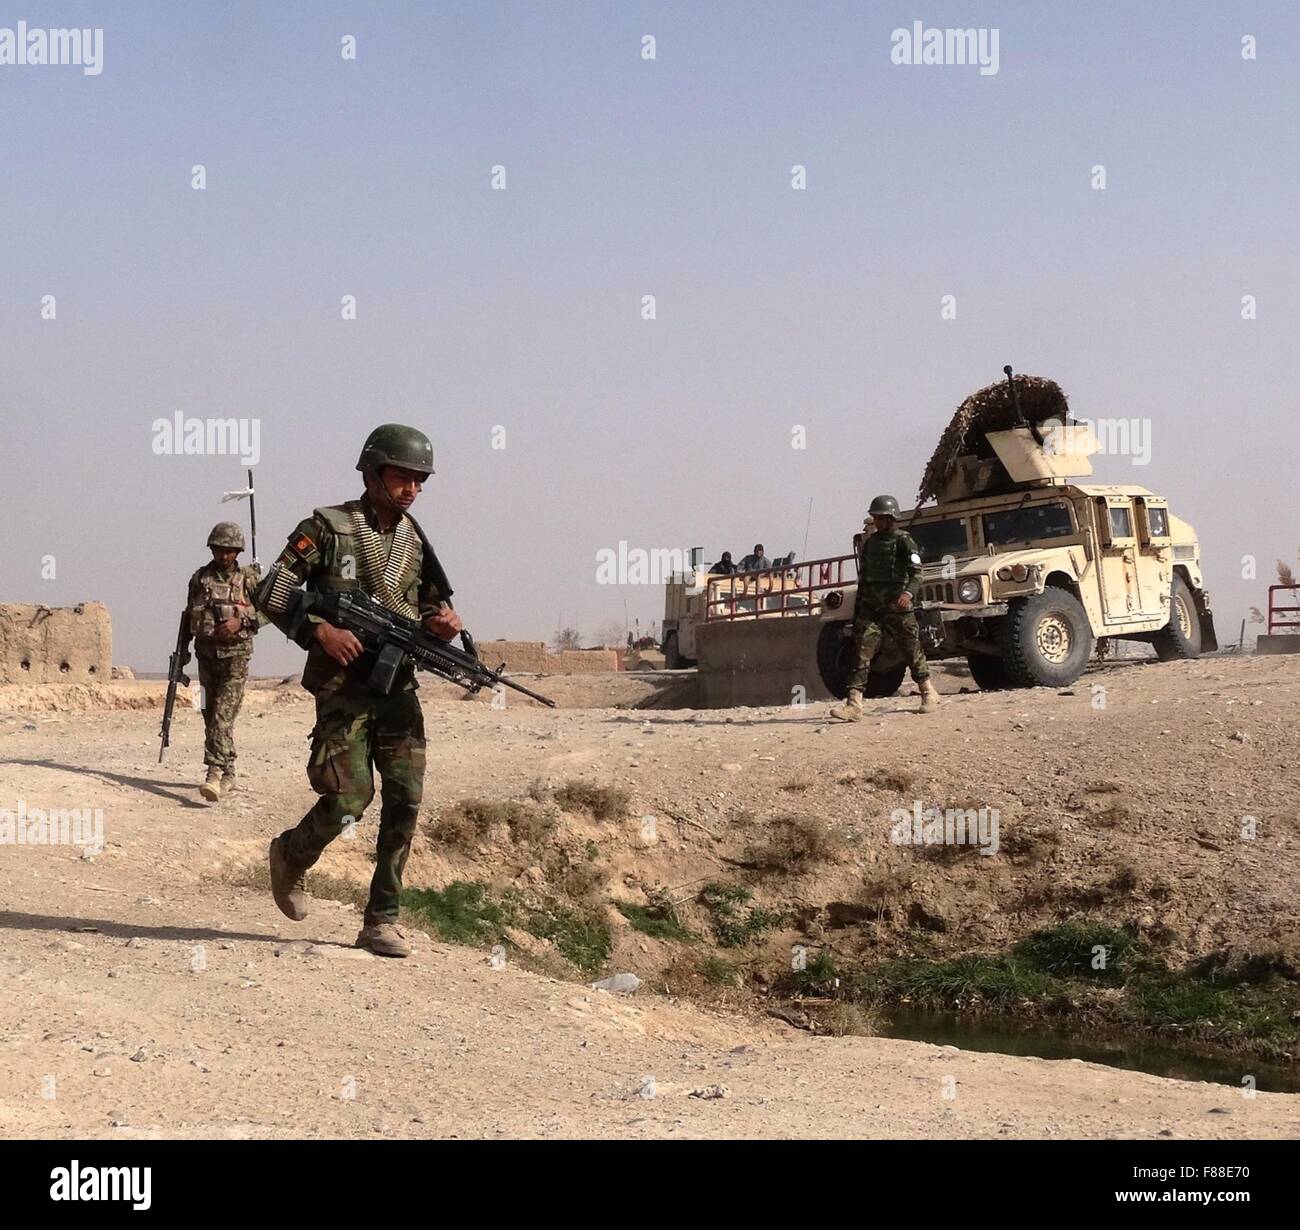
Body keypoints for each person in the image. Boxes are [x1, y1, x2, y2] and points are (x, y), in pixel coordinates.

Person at [253, 424, 464, 958]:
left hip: (396, 682)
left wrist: (442, 624)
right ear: (372, 473)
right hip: (343, 684)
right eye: (402, 477)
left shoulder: (414, 540)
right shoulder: (327, 527)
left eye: (419, 480)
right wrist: (318, 630)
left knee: (406, 799)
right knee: (350, 798)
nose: (411, 489)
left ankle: (380, 920)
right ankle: (292, 855)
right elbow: (272, 590)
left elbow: (434, 603)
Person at [830, 495, 940, 721]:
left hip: (897, 605)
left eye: (880, 518)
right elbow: (865, 577)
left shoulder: (904, 541)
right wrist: (859, 608)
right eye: (875, 517)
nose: (876, 522)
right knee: (861, 650)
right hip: (871, 606)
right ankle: (854, 704)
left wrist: (907, 594)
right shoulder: (871, 543)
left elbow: (917, 572)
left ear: (891, 518)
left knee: (911, 647)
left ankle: (928, 692)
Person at [186, 522, 263, 801]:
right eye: (219, 549)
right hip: (206, 658)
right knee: (210, 717)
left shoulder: (249, 579)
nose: (224, 555)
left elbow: (270, 612)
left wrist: (240, 619)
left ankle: (214, 773)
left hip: (235, 660)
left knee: (221, 717)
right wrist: (181, 653)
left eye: (230, 551)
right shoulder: (199, 578)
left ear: (238, 552)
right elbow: (188, 615)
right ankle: (229, 770)